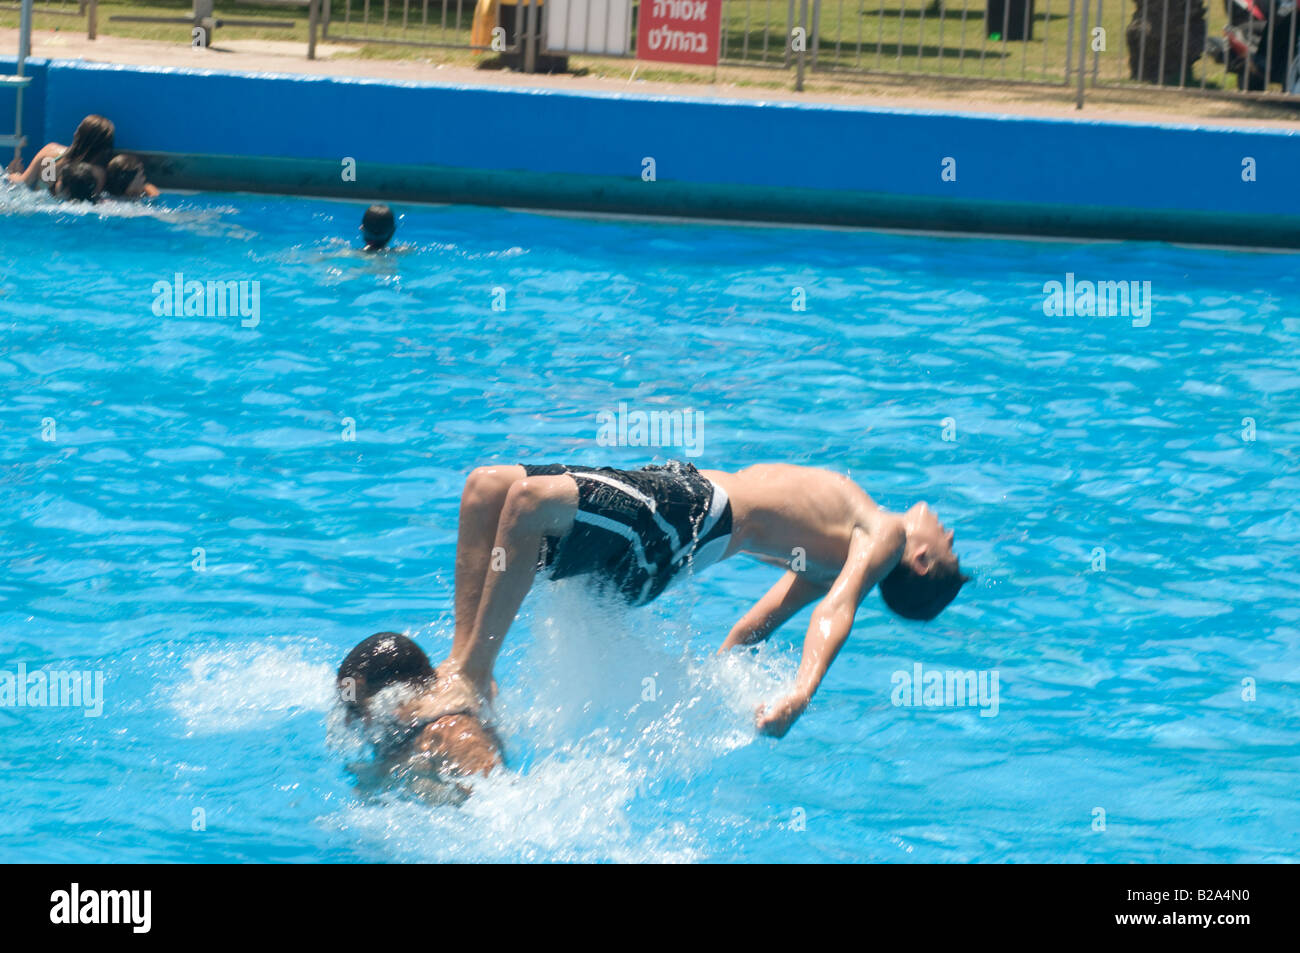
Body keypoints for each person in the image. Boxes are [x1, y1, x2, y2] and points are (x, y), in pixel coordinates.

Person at [435, 461, 969, 739]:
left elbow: (840, 609)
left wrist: (800, 692)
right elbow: (746, 635)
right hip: (666, 540)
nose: (947, 531)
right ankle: (463, 667)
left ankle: (472, 680)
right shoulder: (827, 562)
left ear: (920, 560)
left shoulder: (885, 533)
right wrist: (713, 689)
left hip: (689, 518)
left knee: (528, 502)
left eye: (949, 548)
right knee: (487, 490)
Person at [337, 632, 502, 804]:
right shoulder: (396, 735)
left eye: (357, 710)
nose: (348, 722)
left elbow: (501, 800)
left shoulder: (451, 733)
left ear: (399, 699)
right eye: (347, 707)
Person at [8, 114, 114, 194]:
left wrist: (12, 174)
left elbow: (23, 183)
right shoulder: (97, 173)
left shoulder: (50, 153)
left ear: (77, 134)